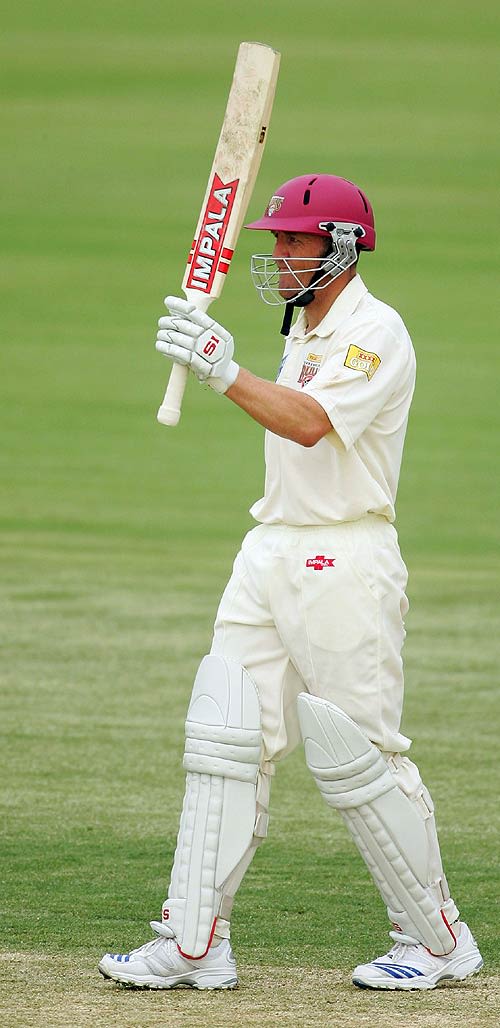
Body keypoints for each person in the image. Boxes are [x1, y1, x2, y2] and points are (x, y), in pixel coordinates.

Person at [99, 174, 483, 992]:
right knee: (227, 738)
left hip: (345, 560)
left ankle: (437, 941)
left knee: (361, 757)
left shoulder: (375, 331)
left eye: (292, 241)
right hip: (269, 547)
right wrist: (226, 361)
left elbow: (310, 425)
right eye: (274, 239)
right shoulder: (305, 328)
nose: (276, 254)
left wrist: (218, 369)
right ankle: (196, 938)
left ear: (340, 246)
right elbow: (289, 405)